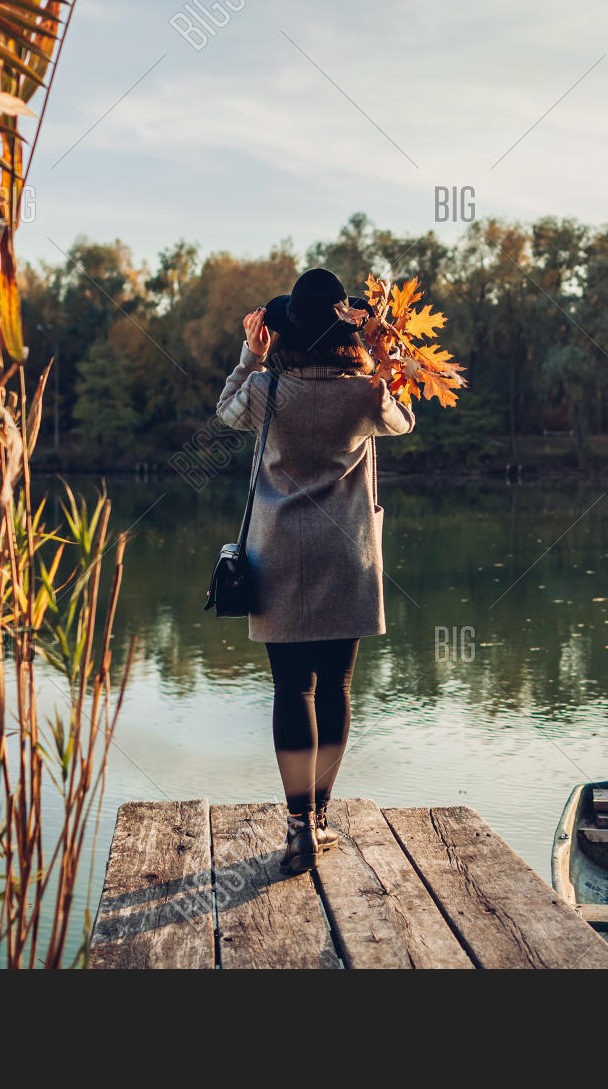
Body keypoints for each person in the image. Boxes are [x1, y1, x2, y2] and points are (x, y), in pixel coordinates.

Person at [215, 268, 416, 871]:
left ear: (286, 331)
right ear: (348, 328)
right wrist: (384, 358)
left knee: (290, 689)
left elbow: (227, 412)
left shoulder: (267, 390)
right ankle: (321, 817)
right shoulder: (366, 393)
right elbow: (404, 421)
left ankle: (298, 825)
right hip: (348, 557)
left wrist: (250, 356)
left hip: (277, 556)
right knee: (335, 688)